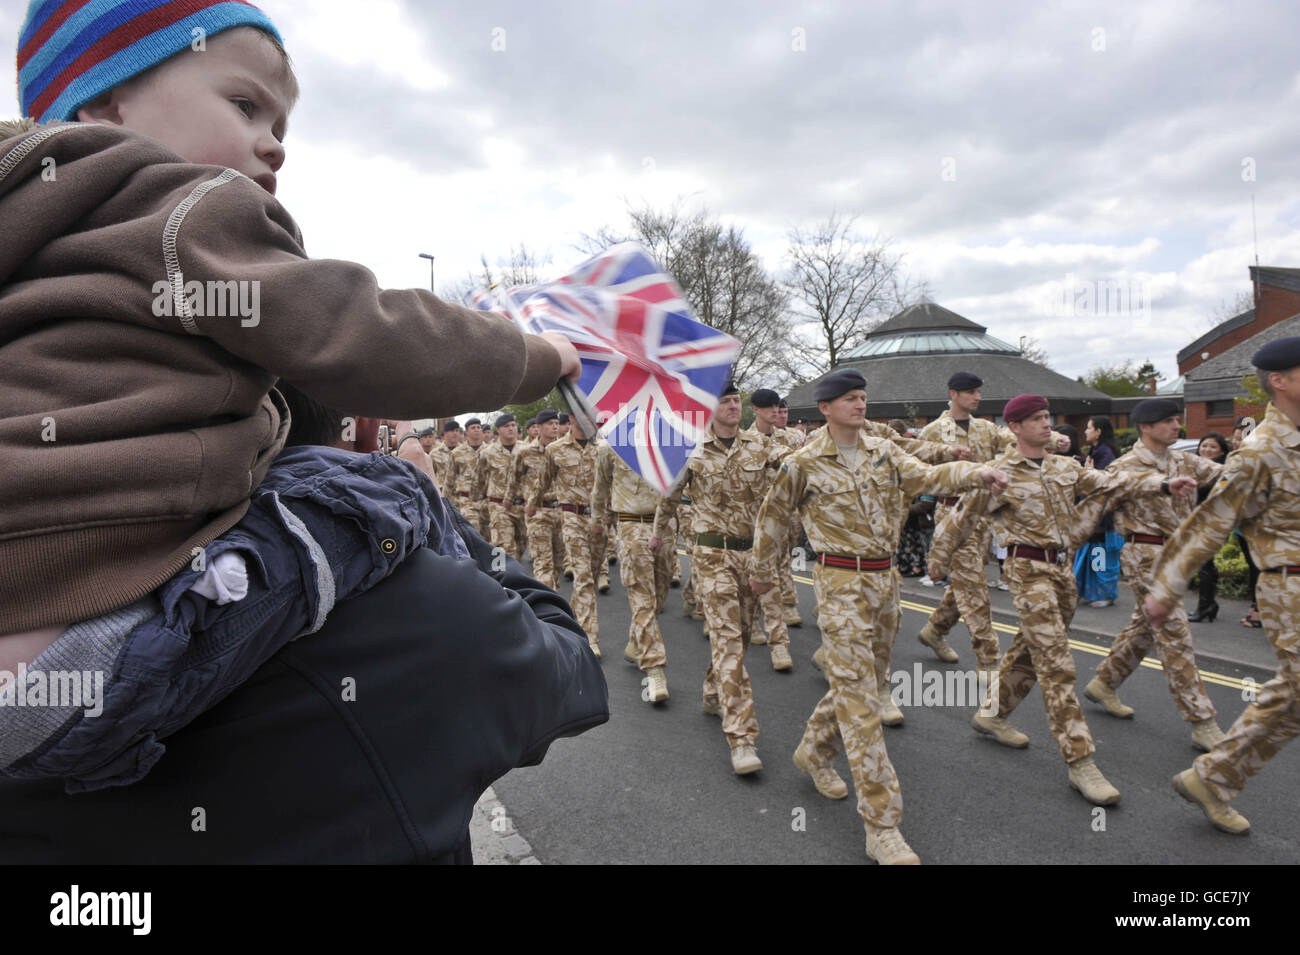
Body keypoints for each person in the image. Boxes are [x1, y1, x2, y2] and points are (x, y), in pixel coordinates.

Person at [3, 3, 585, 790]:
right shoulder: (176, 207)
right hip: (95, 653)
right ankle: (503, 635)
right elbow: (361, 331)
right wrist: (532, 356)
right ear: (105, 104)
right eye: (245, 105)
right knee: (381, 490)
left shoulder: (34, 231)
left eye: (283, 123)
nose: (274, 142)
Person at [752, 368, 1006, 864]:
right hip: (839, 582)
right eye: (849, 398)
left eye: (863, 397)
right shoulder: (802, 462)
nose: (860, 404)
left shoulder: (884, 451)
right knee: (862, 701)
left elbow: (928, 476)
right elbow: (774, 517)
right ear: (824, 407)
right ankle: (882, 824)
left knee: (862, 681)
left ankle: (814, 751)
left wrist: (976, 472)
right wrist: (762, 572)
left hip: (886, 583)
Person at [929, 394, 1197, 808]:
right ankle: (1081, 761)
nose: (1046, 425)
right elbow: (960, 518)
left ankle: (993, 714)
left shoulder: (1064, 467)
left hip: (1061, 572)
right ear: (1015, 427)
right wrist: (937, 560)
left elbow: (1112, 482)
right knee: (1056, 664)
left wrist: (1161, 484)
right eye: (1036, 419)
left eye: (1047, 418)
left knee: (1028, 651)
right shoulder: (999, 474)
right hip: (1026, 570)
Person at [1145, 338, 1300, 836]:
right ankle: (1213, 776)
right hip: (1288, 584)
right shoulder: (1258, 452)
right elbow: (1212, 522)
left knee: (1294, 703)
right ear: (1280, 380)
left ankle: (1212, 778)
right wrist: (1167, 586)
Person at [655, 383, 789, 774]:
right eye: (724, 401)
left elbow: (792, 460)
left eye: (736, 401)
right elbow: (669, 496)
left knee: (743, 636)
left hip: (753, 554)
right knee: (728, 639)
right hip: (711, 554)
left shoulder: (762, 445)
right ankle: (741, 737)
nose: (732, 406)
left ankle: (713, 690)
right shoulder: (692, 450)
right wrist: (660, 533)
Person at [1079, 399, 1226, 753]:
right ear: (1146, 427)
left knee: (1147, 626)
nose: (1177, 426)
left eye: (1177, 419)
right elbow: (1094, 503)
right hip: (1144, 553)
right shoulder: (1124, 466)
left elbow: (1227, 473)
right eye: (1169, 421)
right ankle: (1201, 720)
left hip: (1179, 554)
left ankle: (1104, 682)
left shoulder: (1184, 459)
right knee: (1174, 632)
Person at [914, 372, 1024, 669]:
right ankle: (989, 660)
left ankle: (935, 630)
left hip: (983, 517)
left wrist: (1053, 438)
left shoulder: (987, 429)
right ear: (954, 394)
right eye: (972, 392)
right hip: (951, 514)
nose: (978, 397)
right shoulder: (934, 431)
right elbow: (914, 471)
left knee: (965, 582)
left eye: (978, 391)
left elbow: (1019, 437)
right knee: (974, 586)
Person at [592, 438, 672, 702]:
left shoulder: (668, 443)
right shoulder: (609, 448)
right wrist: (597, 521)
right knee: (642, 597)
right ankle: (654, 669)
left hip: (665, 527)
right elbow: (600, 487)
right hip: (630, 524)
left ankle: (636, 643)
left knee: (659, 595)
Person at [742, 387, 800, 670]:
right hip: (751, 523)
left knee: (774, 577)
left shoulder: (790, 440)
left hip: (781, 520)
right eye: (769, 407)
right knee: (758, 581)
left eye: (778, 407)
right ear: (756, 409)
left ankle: (778, 642)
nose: (776, 411)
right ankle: (762, 630)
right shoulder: (743, 442)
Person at [541, 412, 605, 655]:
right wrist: (532, 507)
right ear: (572, 418)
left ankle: (571, 617)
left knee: (593, 571)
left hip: (600, 519)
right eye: (582, 414)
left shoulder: (604, 449)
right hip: (571, 517)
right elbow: (543, 482)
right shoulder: (555, 449)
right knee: (584, 575)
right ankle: (590, 636)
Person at [519, 409, 566, 590]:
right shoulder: (525, 452)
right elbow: (514, 479)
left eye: (556, 423)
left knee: (557, 564)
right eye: (549, 423)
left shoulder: (564, 449)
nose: (554, 426)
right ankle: (547, 610)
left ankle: (552, 599)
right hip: (537, 512)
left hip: (562, 511)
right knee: (543, 562)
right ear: (538, 427)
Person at [1079, 415, 1123, 607]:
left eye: (1089, 428)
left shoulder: (1105, 454)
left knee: (1101, 554)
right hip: (1095, 517)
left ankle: (1106, 593)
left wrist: (1088, 473)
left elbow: (1102, 484)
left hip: (1103, 518)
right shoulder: (1097, 451)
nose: (1086, 431)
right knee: (1095, 554)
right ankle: (1096, 592)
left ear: (1099, 432)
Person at [1189, 432, 1229, 623]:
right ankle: (1208, 605)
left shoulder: (1222, 470)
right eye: (1204, 445)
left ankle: (1206, 606)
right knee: (1204, 564)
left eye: (1213, 447)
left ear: (1221, 450)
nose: (1207, 450)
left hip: (1211, 522)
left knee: (1203, 563)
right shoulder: (1195, 466)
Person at [477, 414, 529, 559]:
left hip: (523, 505)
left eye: (513, 425)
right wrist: (481, 503)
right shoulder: (488, 453)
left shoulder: (527, 450)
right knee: (505, 548)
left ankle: (514, 577)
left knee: (521, 546)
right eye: (506, 426)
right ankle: (504, 580)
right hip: (499, 506)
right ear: (498, 430)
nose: (511, 429)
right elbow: (480, 479)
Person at [447, 418, 489, 536]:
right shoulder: (456, 453)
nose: (476, 430)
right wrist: (447, 505)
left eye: (478, 427)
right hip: (467, 501)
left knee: (490, 540)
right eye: (473, 428)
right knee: (473, 534)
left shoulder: (491, 451)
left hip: (488, 500)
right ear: (466, 433)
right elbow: (450, 481)